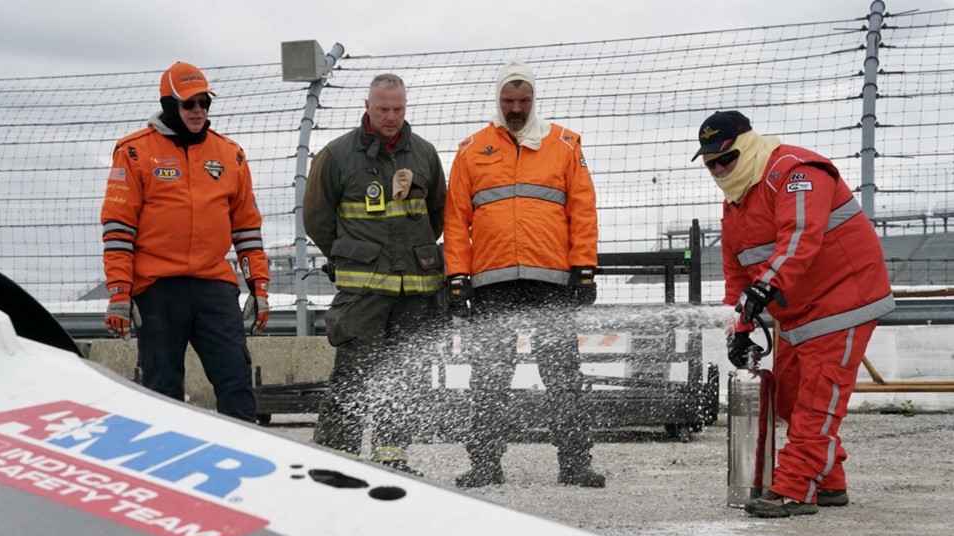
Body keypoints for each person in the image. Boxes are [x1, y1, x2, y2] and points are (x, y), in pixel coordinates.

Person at [693, 110, 894, 517]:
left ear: (746, 144)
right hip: (799, 312)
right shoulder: (736, 203)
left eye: (726, 158)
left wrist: (766, 286)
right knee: (789, 397)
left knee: (816, 402)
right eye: (711, 163)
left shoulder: (795, 171)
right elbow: (737, 271)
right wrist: (739, 327)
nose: (719, 168)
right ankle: (830, 481)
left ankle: (795, 487)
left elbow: (801, 235)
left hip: (844, 300)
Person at [444, 60, 605, 488]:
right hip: (491, 282)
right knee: (489, 379)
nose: (516, 108)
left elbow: (582, 210)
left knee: (563, 377)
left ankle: (574, 463)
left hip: (551, 280)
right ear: (498, 100)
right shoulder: (470, 149)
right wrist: (457, 275)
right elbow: (456, 220)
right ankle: (484, 464)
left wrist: (584, 267)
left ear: (534, 100)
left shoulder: (565, 144)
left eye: (523, 101)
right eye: (508, 101)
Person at [100, 61, 270, 423]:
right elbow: (118, 229)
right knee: (162, 390)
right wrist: (118, 293)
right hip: (157, 289)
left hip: (215, 286)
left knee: (237, 383)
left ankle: (244, 465)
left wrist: (260, 288)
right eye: (189, 104)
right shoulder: (133, 152)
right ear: (169, 105)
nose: (198, 111)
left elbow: (247, 230)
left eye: (204, 103)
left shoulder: (231, 155)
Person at [303, 73, 447, 474]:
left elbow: (437, 216)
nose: (391, 117)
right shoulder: (336, 156)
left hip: (415, 292)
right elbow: (317, 219)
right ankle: (338, 464)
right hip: (362, 295)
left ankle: (392, 462)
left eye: (398, 109)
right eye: (383, 109)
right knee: (352, 377)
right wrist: (352, 257)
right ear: (367, 106)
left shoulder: (424, 154)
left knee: (403, 381)